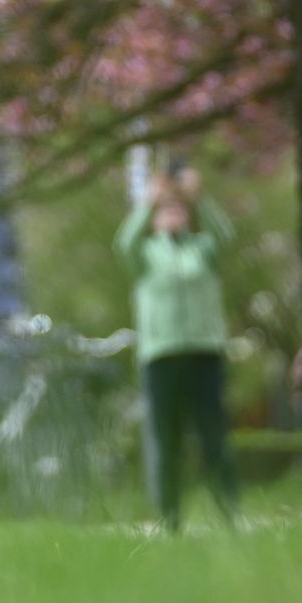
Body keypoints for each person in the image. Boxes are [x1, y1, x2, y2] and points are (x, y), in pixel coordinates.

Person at [115, 159, 239, 529]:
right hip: (161, 355)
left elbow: (226, 235)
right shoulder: (144, 255)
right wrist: (149, 203)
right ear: (154, 219)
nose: (172, 215)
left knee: (214, 436)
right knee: (166, 441)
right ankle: (169, 518)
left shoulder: (202, 249)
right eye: (165, 211)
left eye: (177, 210)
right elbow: (123, 242)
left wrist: (198, 199)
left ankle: (227, 512)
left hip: (204, 352)